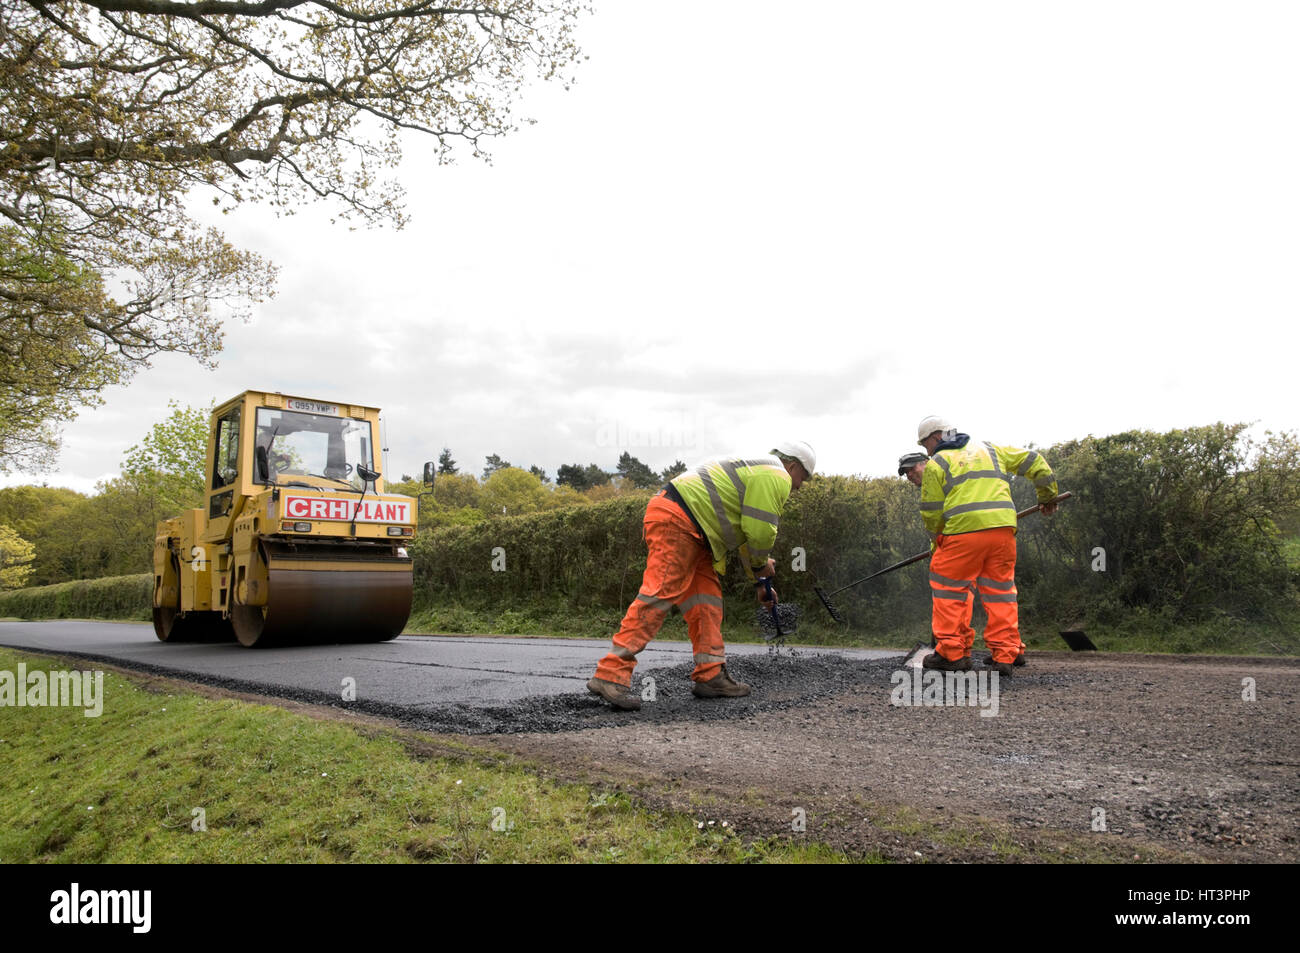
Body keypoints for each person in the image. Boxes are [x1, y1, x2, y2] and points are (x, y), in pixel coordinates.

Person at [587, 441, 816, 710]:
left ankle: (710, 676)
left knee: (706, 603)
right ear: (792, 466)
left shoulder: (759, 469)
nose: (800, 486)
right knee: (659, 593)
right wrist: (760, 566)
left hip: (693, 531)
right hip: (680, 521)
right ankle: (610, 674)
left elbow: (747, 538)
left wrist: (760, 582)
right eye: (803, 478)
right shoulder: (776, 475)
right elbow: (761, 532)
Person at [914, 417, 1058, 677]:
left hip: (962, 535)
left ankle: (952, 654)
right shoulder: (991, 449)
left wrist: (938, 539)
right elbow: (1035, 460)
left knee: (950, 592)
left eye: (926, 445)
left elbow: (932, 512)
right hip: (1002, 532)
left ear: (935, 438)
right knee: (1000, 592)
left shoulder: (938, 463)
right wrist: (1047, 497)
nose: (927, 452)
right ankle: (1006, 653)